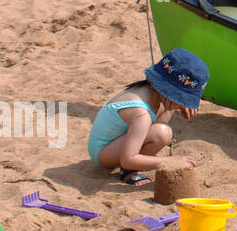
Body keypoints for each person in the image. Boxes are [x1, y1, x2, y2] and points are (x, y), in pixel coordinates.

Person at [88, 49, 208, 185]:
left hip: (116, 141)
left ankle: (139, 159)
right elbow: (128, 158)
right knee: (162, 133)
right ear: (170, 92)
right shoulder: (141, 113)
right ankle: (129, 171)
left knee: (164, 120)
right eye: (181, 99)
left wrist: (180, 104)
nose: (183, 104)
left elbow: (163, 113)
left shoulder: (152, 92)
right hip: (103, 152)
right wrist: (171, 160)